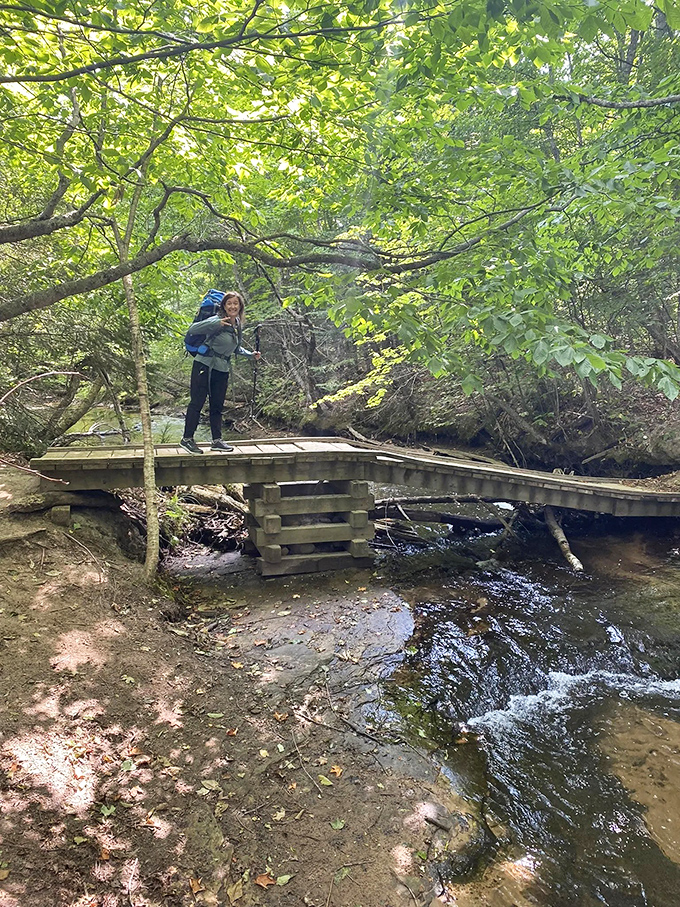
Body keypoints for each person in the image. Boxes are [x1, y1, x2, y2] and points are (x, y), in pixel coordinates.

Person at [180, 291, 261, 454]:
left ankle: (217, 441)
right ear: (224, 306)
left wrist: (250, 355)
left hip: (221, 369)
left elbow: (236, 348)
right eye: (229, 303)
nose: (233, 306)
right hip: (204, 365)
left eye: (236, 304)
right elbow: (193, 329)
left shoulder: (237, 324)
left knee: (217, 405)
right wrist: (217, 324)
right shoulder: (216, 319)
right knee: (197, 402)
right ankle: (187, 439)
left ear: (240, 307)